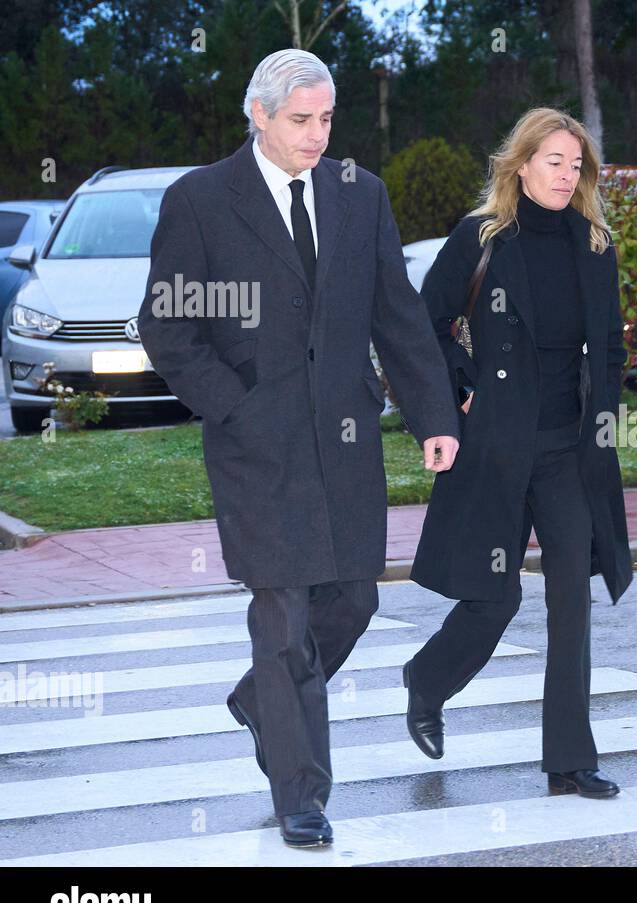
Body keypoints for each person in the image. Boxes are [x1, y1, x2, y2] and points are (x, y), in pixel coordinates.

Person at [137, 49, 461, 847]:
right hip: (256, 448)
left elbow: (398, 316)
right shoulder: (202, 200)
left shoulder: (361, 195)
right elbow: (166, 326)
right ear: (259, 114)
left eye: (325, 119)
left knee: (353, 600)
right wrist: (233, 407)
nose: (318, 136)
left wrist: (435, 417)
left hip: (345, 441)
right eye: (300, 121)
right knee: (281, 618)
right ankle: (302, 794)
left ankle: (259, 701)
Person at [405, 107, 632, 797]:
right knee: (492, 599)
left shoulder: (593, 242)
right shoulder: (482, 236)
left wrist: (605, 423)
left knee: (572, 600)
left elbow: (611, 348)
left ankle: (568, 760)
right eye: (554, 161)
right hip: (498, 447)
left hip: (568, 450)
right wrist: (466, 386)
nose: (566, 175)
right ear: (522, 164)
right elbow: (425, 321)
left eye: (575, 164)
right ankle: (427, 679)